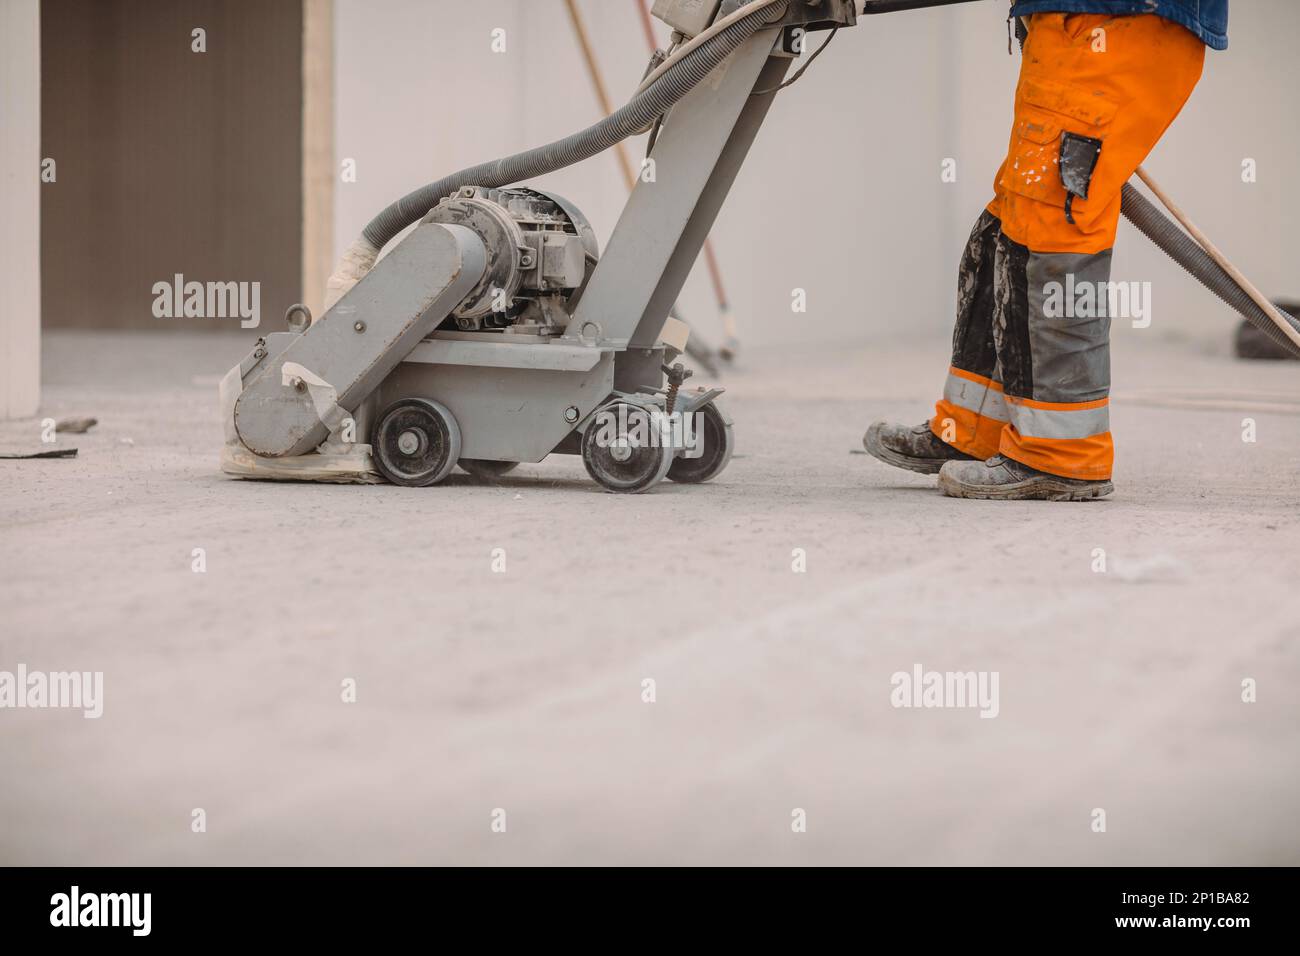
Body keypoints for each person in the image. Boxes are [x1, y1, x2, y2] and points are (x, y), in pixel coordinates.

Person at [864, 0, 1229, 500]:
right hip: (1074, 24)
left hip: (1117, 23)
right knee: (1009, 223)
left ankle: (1060, 457)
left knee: (1051, 230)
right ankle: (973, 431)